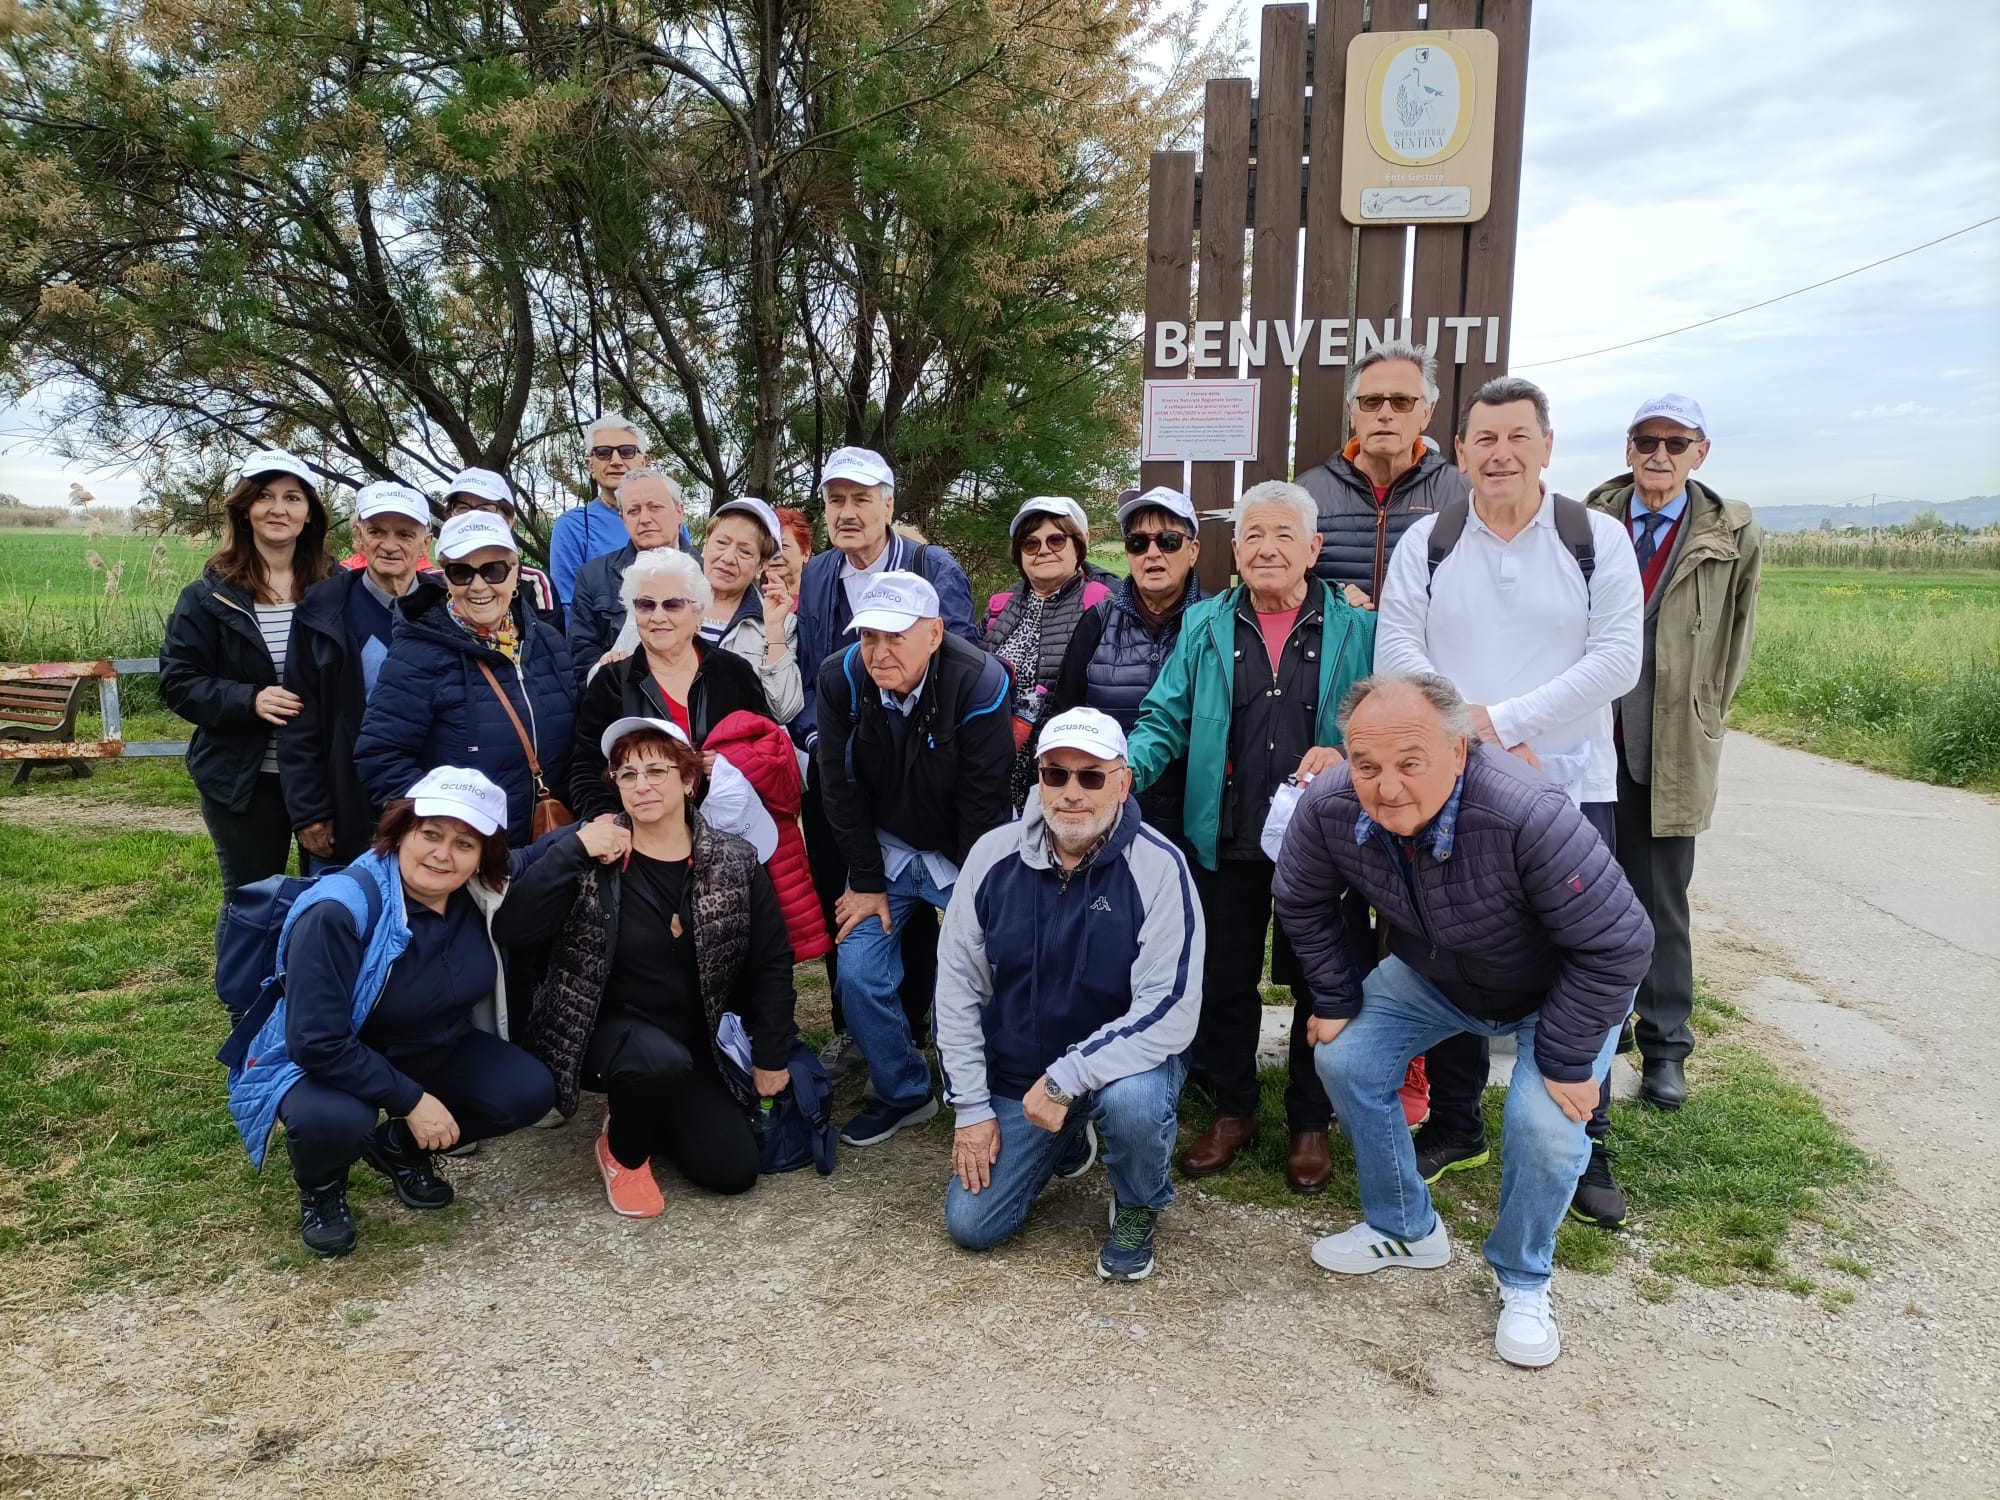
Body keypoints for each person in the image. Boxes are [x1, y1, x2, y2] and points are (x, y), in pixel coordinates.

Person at [1272, 674, 1652, 1368]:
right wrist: (1331, 996)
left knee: (1546, 1124)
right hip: (1436, 973)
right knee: (1345, 1058)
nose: (1387, 786)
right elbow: (1299, 899)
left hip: (1556, 990)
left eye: (1409, 763)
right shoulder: (1328, 805)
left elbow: (1619, 940)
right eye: (1368, 765)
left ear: (1457, 751)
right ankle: (1405, 1226)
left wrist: (1568, 1057)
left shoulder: (1525, 810)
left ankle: (1524, 1276)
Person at [1374, 376, 1643, 1209]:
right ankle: (1456, 1118)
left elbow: (1618, 658)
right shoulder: (1431, 541)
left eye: (1517, 437)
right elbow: (1395, 649)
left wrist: (1506, 721)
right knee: (1449, 941)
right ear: (1459, 453)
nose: (1500, 453)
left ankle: (1583, 1135)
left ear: (1547, 446)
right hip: (1447, 782)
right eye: (1483, 439)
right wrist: (1466, 733)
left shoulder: (1594, 538)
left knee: (1576, 951)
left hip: (1569, 784)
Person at [1125, 480, 1375, 1195]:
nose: (1267, 549)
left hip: (1323, 849)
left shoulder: (1361, 628)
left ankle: (1308, 1120)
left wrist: (1349, 754)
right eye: (1254, 537)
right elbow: (1163, 718)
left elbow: (1390, 720)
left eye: (1283, 536)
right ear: (1234, 552)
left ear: (1314, 549)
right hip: (1226, 837)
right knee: (1222, 979)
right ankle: (1235, 1110)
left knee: (1322, 982)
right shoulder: (1205, 625)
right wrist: (1122, 772)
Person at [221, 768, 568, 1257]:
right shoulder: (338, 911)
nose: (442, 855)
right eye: (430, 834)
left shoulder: (478, 896)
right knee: (336, 1121)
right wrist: (412, 1100)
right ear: (400, 831)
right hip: (330, 1057)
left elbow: (539, 856)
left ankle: (398, 1148)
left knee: (527, 1091)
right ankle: (323, 1190)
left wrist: (607, 827)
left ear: (483, 859)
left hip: (431, 1042)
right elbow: (316, 1040)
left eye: (465, 845)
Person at [1573, 396, 1761, 1218]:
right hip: (1594, 737)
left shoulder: (1735, 533)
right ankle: (1599, 1031)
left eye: (1673, 444)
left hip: (1669, 741)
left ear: (1699, 452)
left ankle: (1666, 1046)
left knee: (1661, 902)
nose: (1658, 455)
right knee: (1585, 896)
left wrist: (1703, 714)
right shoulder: (1591, 518)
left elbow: (1737, 637)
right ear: (1629, 447)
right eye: (1646, 441)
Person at [938, 708, 1203, 1280]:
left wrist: (1069, 1078)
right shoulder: (991, 857)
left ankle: (1136, 1202)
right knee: (972, 1225)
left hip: (1121, 1068)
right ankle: (1069, 1140)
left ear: (1124, 781)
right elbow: (957, 989)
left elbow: (1170, 1008)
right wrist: (972, 1109)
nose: (1071, 792)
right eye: (1055, 775)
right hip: (1022, 1075)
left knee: (1132, 1105)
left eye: (1092, 776)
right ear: (1038, 780)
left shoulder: (1160, 866)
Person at [499, 718, 799, 1215]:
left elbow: (772, 960)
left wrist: (770, 1054)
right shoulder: (591, 848)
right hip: (599, 1029)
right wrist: (572, 852)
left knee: (733, 1171)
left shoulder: (733, 858)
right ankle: (622, 1152)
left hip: (693, 1039)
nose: (641, 786)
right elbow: (514, 929)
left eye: (657, 771)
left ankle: (646, 1105)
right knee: (654, 1060)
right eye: (627, 775)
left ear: (688, 780)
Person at [792, 448, 977, 1081]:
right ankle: (857, 1033)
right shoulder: (816, 574)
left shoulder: (934, 567)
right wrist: (823, 742)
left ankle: (920, 1020)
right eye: (835, 500)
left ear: (889, 504)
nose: (847, 513)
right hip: (841, 764)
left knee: (924, 907)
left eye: (860, 499)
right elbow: (814, 663)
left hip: (922, 769)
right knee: (847, 892)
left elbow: (958, 666)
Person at [815, 571, 1013, 1146]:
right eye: (869, 636)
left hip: (961, 849)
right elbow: (837, 787)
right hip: (885, 850)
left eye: (895, 637)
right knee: (856, 973)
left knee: (992, 965)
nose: (879, 652)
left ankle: (986, 1086)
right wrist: (868, 881)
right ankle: (904, 1091)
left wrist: (972, 902)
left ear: (933, 633)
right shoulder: (839, 677)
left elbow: (984, 801)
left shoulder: (980, 681)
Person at [160, 447, 336, 902]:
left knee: (327, 900)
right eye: (265, 497)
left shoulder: (335, 588)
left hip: (324, 779)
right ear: (244, 510)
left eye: (293, 497)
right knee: (255, 904)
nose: (279, 509)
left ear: (310, 514)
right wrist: (249, 700)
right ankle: (242, 977)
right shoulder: (207, 597)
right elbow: (179, 682)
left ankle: (302, 977)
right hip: (246, 779)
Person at [354, 511, 577, 847]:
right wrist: (445, 829)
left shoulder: (548, 641)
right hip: (468, 854)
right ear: (446, 578)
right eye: (461, 572)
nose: (478, 585)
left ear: (516, 572)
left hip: (551, 844)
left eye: (494, 570)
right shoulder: (418, 652)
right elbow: (381, 756)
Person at [1044, 485, 1205, 851]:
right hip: (1105, 816)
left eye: (1168, 541)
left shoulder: (1216, 624)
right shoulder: (1097, 621)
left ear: (1192, 551)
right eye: (1137, 543)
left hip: (1191, 822)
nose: (1152, 554)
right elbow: (1064, 715)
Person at [280, 481, 431, 867]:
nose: (390, 544)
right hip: (346, 805)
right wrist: (308, 810)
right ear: (358, 536)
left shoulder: (447, 605)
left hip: (430, 807)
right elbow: (301, 716)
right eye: (377, 531)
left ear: (425, 542)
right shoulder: (322, 611)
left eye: (404, 534)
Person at [567, 548, 774, 818]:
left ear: (698, 613)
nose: (657, 616)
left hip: (731, 828)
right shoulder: (611, 682)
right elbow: (586, 767)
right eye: (645, 604)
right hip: (641, 836)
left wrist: (736, 762)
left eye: (673, 604)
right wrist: (605, 819)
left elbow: (769, 746)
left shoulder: (734, 672)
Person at [1295, 340, 1468, 608]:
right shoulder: (1306, 493)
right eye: (1371, 401)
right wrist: (1327, 600)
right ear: (1351, 411)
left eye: (1401, 401)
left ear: (1427, 412)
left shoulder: (1463, 495)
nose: (1384, 414)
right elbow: (1279, 586)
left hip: (1422, 649)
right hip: (1336, 648)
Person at [983, 497, 1114, 809]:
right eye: (1030, 543)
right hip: (993, 771)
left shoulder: (1101, 605)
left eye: (1056, 539)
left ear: (1078, 545)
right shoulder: (998, 608)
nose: (1043, 550)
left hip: (1065, 774)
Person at [567, 467, 696, 682]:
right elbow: (582, 658)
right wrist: (608, 673)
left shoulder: (707, 571)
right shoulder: (593, 576)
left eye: (655, 507)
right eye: (633, 511)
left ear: (679, 512)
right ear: (623, 519)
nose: (644, 518)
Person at [698, 495, 804, 723]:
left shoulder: (781, 623)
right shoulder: (663, 601)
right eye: (721, 543)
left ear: (761, 566)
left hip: (735, 753)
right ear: (704, 547)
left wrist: (774, 629)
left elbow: (784, 710)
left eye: (745, 551)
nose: (727, 558)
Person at [439, 466, 563, 632]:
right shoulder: (431, 585)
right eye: (462, 508)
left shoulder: (535, 583)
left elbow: (549, 647)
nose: (474, 517)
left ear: (509, 521)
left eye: (486, 509)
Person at [547, 413, 640, 605]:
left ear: (644, 461)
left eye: (627, 451)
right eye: (603, 452)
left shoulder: (670, 521)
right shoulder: (573, 526)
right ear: (590, 465)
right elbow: (568, 604)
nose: (615, 460)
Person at [772, 506, 814, 596]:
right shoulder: (753, 601)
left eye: (784, 546)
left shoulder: (824, 600)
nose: (775, 555)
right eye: (769, 546)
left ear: (806, 553)